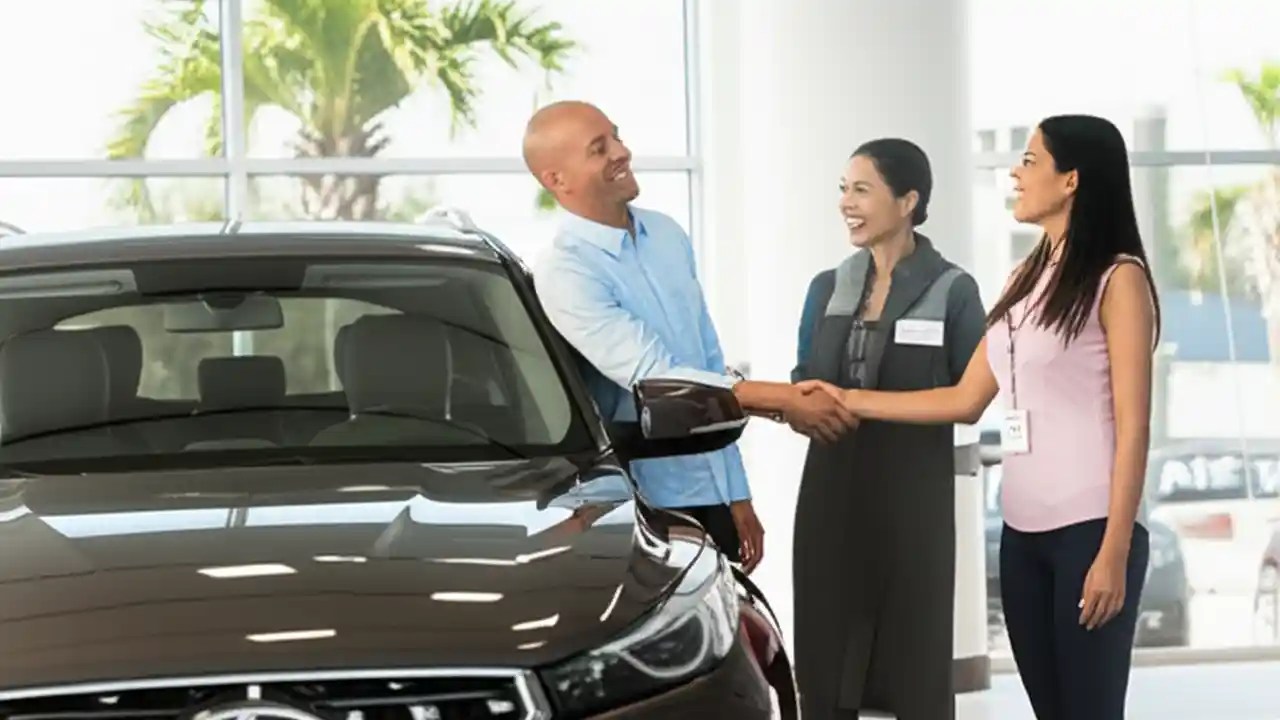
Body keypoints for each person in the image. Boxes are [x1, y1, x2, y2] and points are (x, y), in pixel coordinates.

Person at [803, 115, 1160, 720]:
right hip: (1020, 534)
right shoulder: (1024, 279)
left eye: (1029, 160)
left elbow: (1134, 428)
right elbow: (964, 398)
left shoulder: (1118, 278)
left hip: (1090, 532)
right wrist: (843, 398)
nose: (1015, 174)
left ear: (1071, 180)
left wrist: (1114, 551)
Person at [522, 100, 857, 573]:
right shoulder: (566, 270)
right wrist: (786, 399)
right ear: (557, 180)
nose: (622, 151)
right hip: (641, 509)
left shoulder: (665, 234)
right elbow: (659, 379)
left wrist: (734, 492)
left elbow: (707, 361)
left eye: (616, 136)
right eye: (600, 148)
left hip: (709, 493)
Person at [789, 138, 987, 720]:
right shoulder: (827, 287)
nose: (846, 203)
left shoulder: (954, 290)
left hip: (912, 494)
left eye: (862, 189)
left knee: (915, 654)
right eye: (843, 190)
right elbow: (805, 379)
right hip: (830, 489)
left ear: (908, 200)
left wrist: (852, 400)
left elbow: (968, 398)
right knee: (825, 653)